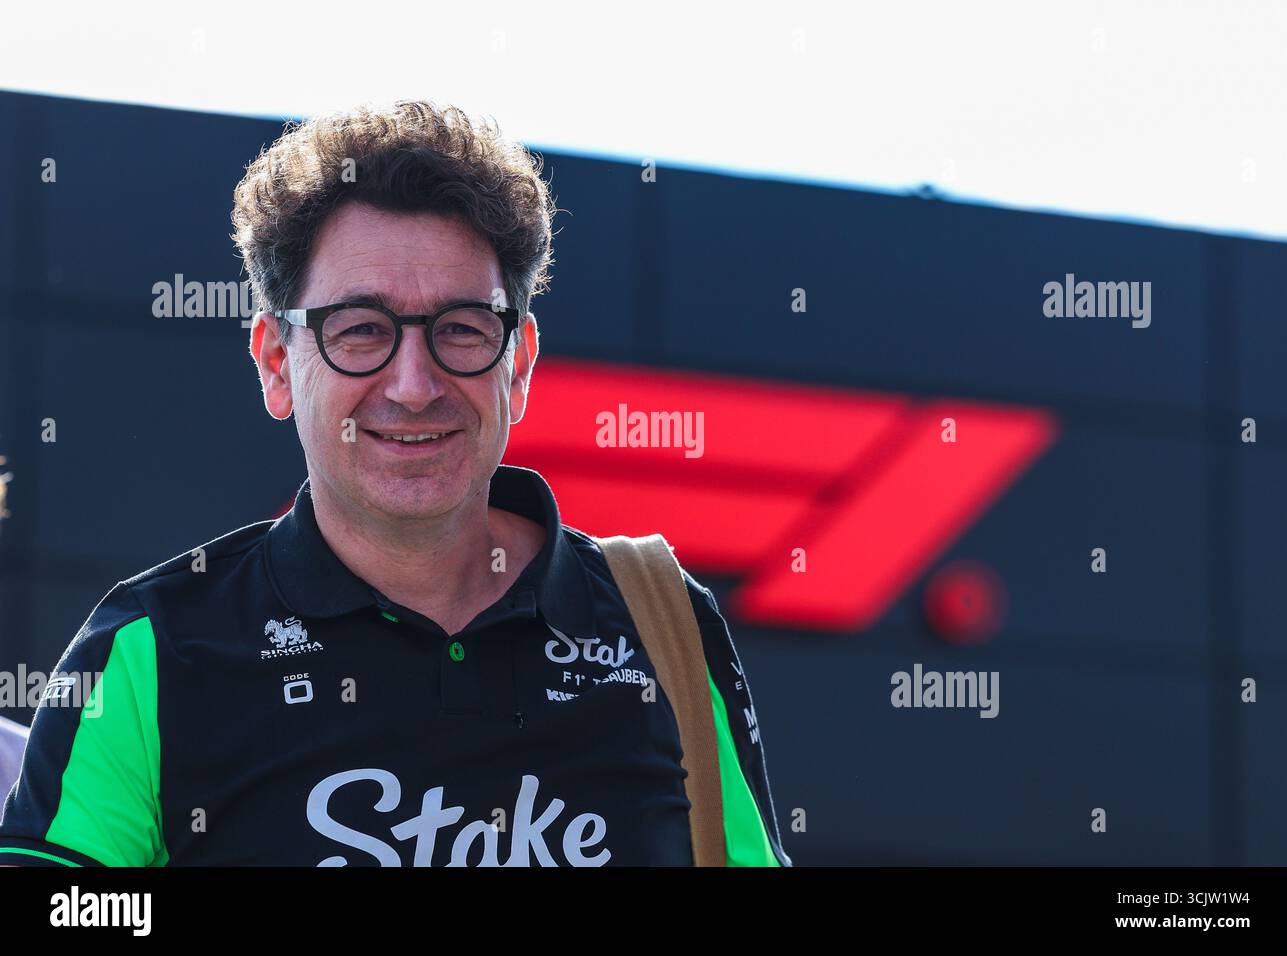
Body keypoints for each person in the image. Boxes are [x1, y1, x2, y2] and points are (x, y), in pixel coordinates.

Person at [0, 101, 790, 867]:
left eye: (461, 329)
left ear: (516, 365)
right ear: (278, 363)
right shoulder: (151, 648)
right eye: (362, 331)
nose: (414, 385)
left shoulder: (662, 622)